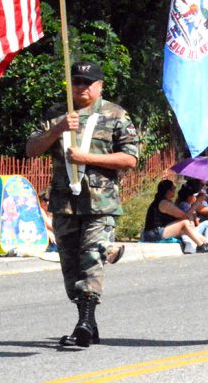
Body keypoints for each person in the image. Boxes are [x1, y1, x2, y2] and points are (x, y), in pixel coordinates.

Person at [25, 61, 138, 348]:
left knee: (91, 258)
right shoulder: (57, 114)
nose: (82, 87)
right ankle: (89, 323)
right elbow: (31, 149)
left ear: (100, 86)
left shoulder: (115, 115)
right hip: (64, 203)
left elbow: (129, 159)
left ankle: (85, 322)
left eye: (88, 82)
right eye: (77, 82)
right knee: (72, 267)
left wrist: (88, 158)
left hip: (100, 203)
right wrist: (58, 129)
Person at [144, 180, 208, 253]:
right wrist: (197, 203)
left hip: (157, 231)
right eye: (174, 188)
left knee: (185, 227)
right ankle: (201, 245)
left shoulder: (165, 201)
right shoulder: (164, 204)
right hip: (154, 233)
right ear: (168, 191)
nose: (175, 190)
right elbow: (185, 216)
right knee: (184, 223)